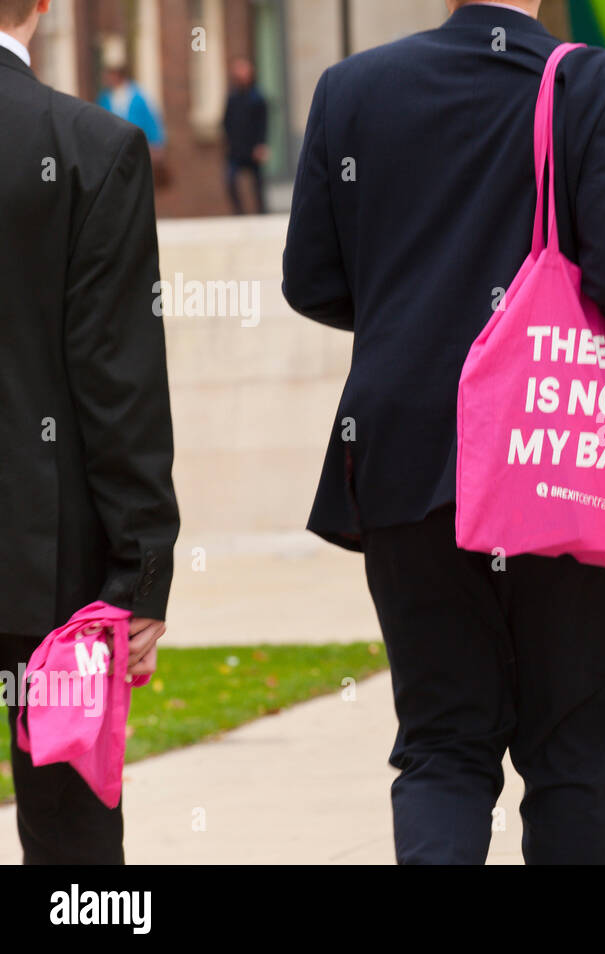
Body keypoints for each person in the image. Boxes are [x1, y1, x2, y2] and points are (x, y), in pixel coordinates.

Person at [282, 0, 605, 864]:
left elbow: (309, 277)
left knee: (441, 742)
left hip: (403, 454)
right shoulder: (598, 89)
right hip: (548, 451)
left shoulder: (351, 89)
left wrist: (412, 322)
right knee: (569, 746)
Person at [0, 0, 180, 865]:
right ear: (38, 8)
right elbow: (118, 380)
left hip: (51, 558)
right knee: (73, 839)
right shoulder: (93, 148)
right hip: (55, 561)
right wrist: (142, 568)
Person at [222, 57, 269, 214]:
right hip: (236, 149)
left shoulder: (258, 98)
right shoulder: (232, 98)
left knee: (257, 183)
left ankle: (262, 211)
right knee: (230, 179)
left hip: (253, 148)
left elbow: (263, 124)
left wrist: (261, 144)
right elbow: (226, 121)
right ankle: (239, 212)